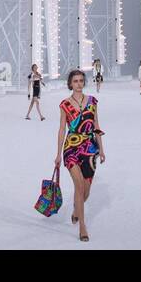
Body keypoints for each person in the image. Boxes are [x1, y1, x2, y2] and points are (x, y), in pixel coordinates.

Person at [54, 69, 105, 243]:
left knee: (86, 190)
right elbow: (62, 130)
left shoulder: (92, 102)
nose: (78, 84)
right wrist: (58, 154)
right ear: (70, 84)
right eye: (75, 81)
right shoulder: (65, 105)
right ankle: (82, 226)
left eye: (81, 80)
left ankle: (77, 210)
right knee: (79, 186)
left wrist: (102, 149)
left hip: (90, 149)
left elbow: (96, 125)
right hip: (71, 148)